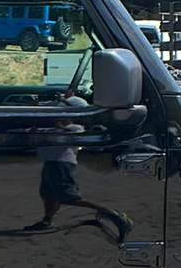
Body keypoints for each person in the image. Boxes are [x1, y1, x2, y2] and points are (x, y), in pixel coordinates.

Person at [24, 91, 133, 241]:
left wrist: (63, 107)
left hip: (62, 164)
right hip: (51, 163)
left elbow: (69, 131)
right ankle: (46, 221)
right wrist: (35, 112)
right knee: (48, 195)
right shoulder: (55, 129)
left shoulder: (77, 128)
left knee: (70, 197)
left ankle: (114, 215)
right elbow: (35, 132)